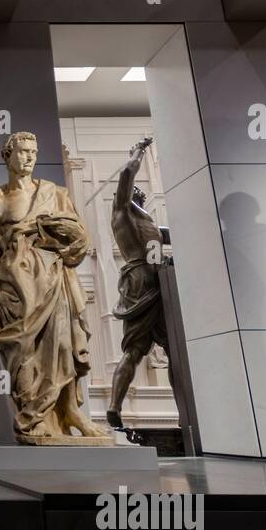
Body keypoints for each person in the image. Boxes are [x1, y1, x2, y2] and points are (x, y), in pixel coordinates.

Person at [0, 131, 106, 443]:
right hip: (17, 284)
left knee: (65, 345)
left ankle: (71, 413)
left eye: (33, 152)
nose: (29, 158)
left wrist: (59, 236)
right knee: (23, 353)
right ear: (7, 156)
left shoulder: (55, 193)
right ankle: (32, 419)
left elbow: (79, 235)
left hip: (52, 276)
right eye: (22, 152)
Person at [106, 138, 172, 429]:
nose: (138, 193)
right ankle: (114, 406)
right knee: (133, 351)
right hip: (141, 278)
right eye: (134, 192)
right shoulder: (122, 211)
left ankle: (187, 410)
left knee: (172, 351)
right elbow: (126, 173)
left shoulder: (148, 222)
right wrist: (138, 152)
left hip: (160, 278)